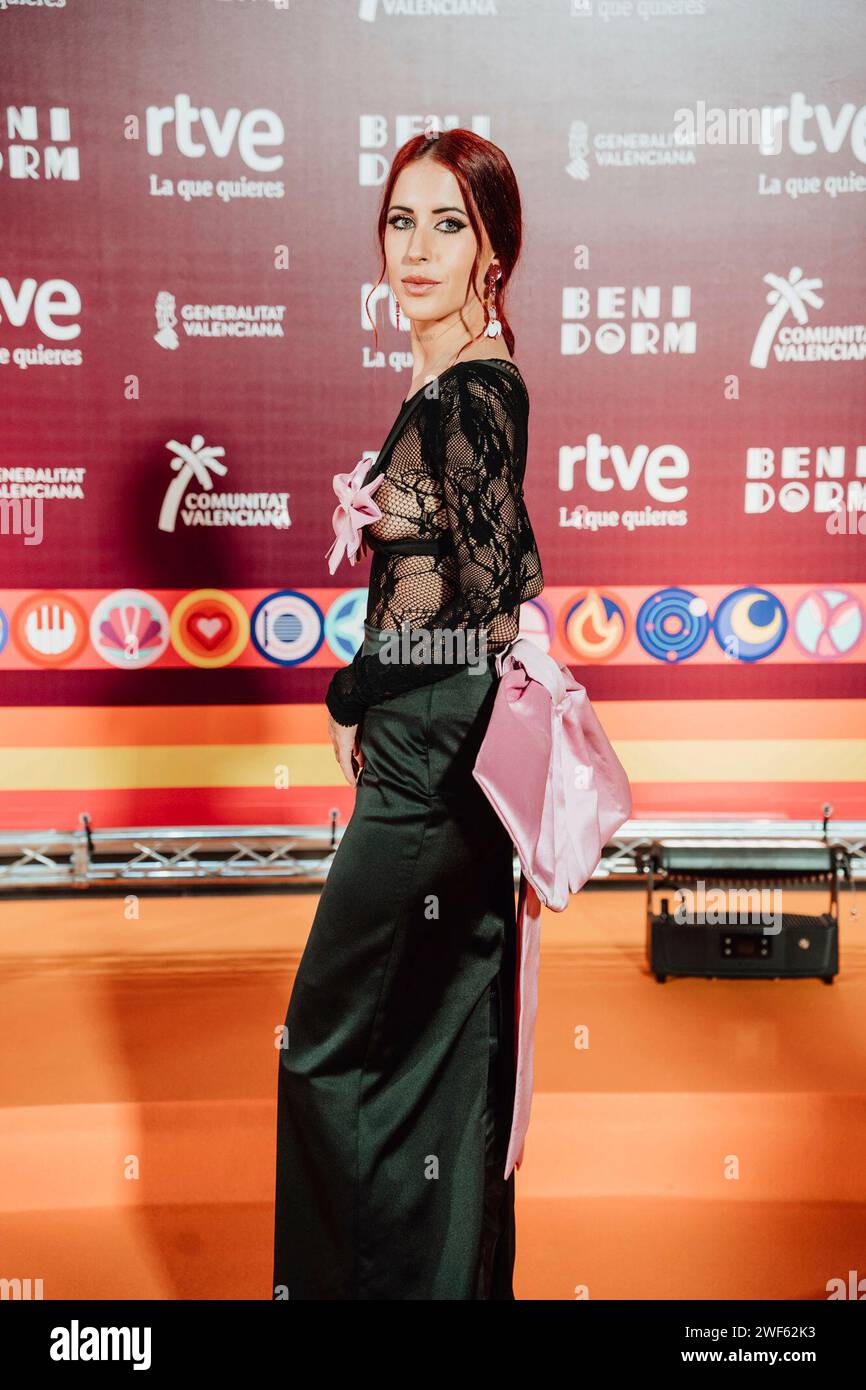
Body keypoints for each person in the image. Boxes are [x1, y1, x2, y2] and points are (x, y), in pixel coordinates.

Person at [272, 128, 544, 1301]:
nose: (417, 248)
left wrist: (350, 687)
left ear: (492, 251)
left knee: (328, 1045)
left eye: (448, 225)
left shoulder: (467, 397)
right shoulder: (468, 383)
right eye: (400, 221)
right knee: (440, 1047)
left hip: (430, 765)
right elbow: (486, 580)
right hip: (447, 751)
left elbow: (474, 607)